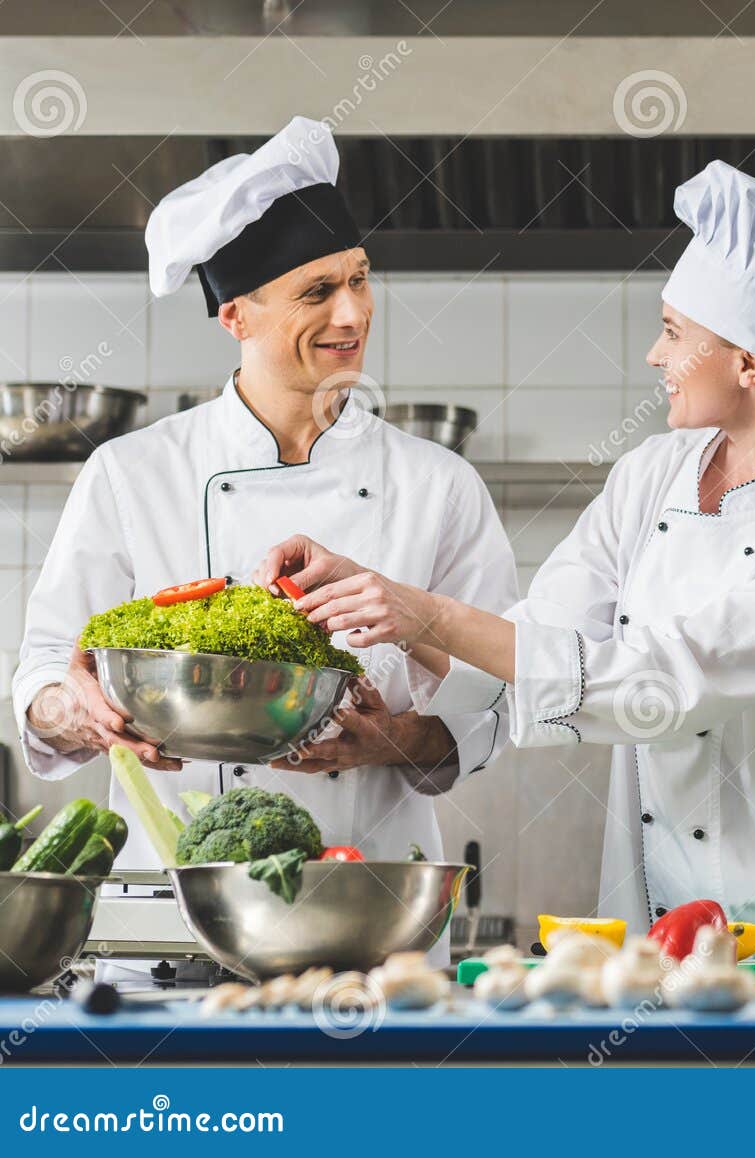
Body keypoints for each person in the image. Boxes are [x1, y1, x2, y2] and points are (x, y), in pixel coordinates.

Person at [254, 160, 755, 931]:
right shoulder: (652, 474)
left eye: (672, 334)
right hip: (659, 914)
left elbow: (666, 686)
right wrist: (373, 596)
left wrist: (419, 611)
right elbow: (545, 637)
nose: (656, 357)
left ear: (749, 361)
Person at [12, 117, 519, 900]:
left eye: (359, 278)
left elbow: (496, 707)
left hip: (366, 907)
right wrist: (77, 712)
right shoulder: (129, 474)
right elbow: (44, 677)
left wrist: (388, 739)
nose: (352, 315)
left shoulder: (439, 485)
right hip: (172, 907)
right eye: (317, 292)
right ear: (235, 318)